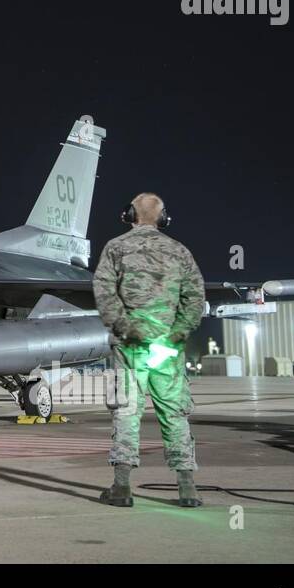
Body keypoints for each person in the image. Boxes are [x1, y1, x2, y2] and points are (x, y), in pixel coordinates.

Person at [93, 193, 206, 508]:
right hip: (167, 349)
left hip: (129, 348)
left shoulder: (116, 248)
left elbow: (103, 292)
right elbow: (195, 296)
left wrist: (126, 328)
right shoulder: (179, 251)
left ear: (129, 214)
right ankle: (187, 489)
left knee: (126, 412)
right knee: (175, 414)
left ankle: (122, 487)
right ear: (163, 218)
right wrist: (178, 333)